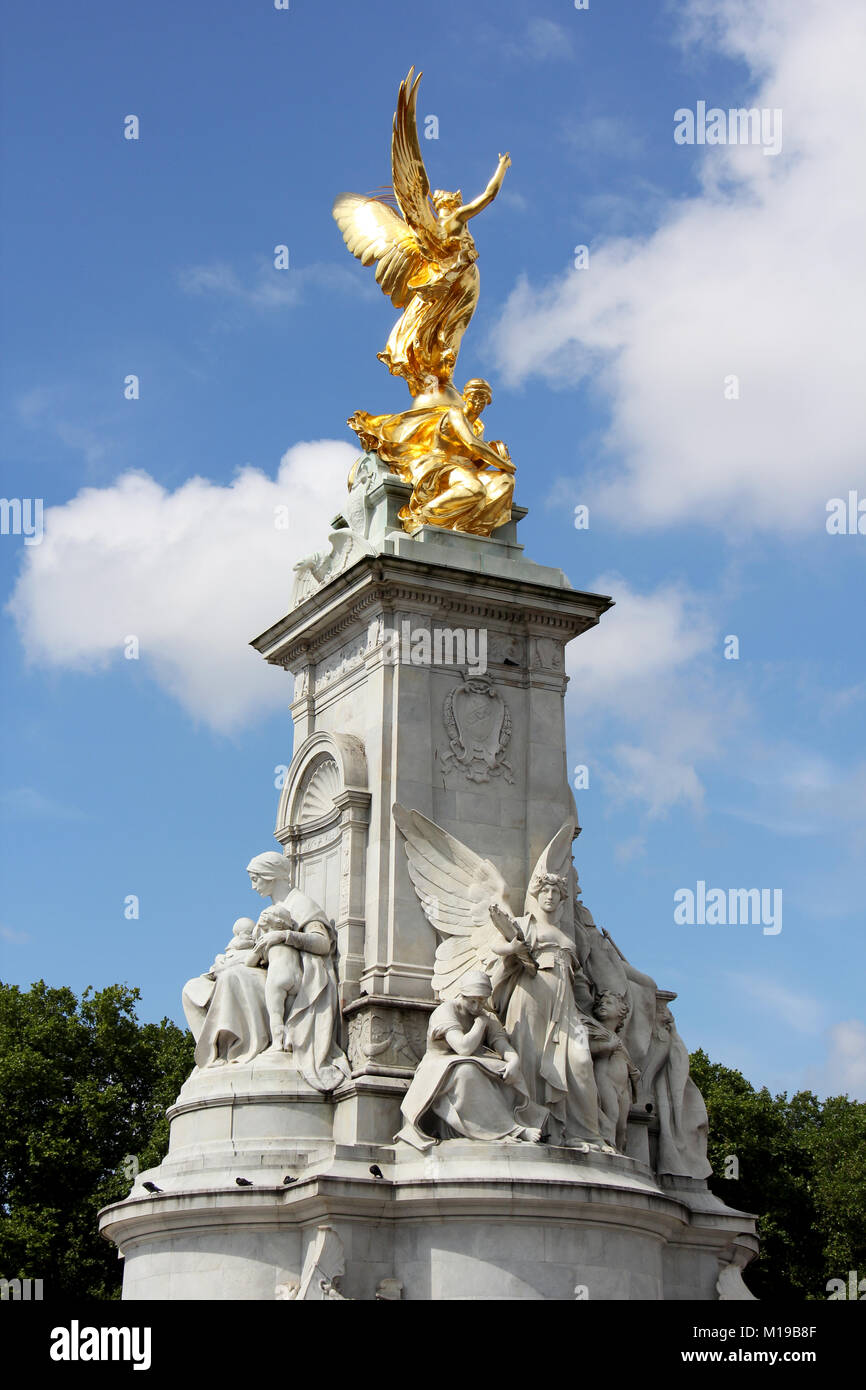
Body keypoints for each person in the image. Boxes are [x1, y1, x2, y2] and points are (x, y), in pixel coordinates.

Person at [489, 875, 611, 1150]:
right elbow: (497, 945)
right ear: (536, 894)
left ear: (562, 899)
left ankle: (585, 1132)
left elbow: (577, 980)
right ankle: (532, 1123)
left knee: (580, 1061)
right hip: (530, 994)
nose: (550, 897)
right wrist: (512, 948)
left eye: (556, 893)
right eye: (545, 891)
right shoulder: (524, 924)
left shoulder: (566, 936)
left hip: (564, 1005)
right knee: (529, 1056)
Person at [395, 970, 546, 1151]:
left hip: (469, 1062)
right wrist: (480, 1024)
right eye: (472, 1000)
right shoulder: (446, 1011)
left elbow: (502, 1046)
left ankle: (511, 1124)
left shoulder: (486, 1015)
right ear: (462, 995)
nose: (476, 1006)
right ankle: (511, 1130)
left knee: (502, 1070)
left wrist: (514, 1061)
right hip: (438, 1066)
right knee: (467, 1071)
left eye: (482, 1000)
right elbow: (463, 1048)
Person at [348, 379, 514, 537]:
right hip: (441, 465)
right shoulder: (455, 414)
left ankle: (470, 525)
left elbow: (473, 453)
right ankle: (425, 514)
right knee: (474, 489)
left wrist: (496, 452)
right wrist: (503, 463)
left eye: (483, 399)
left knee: (506, 481)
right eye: (475, 397)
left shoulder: (478, 427)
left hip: (464, 469)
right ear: (465, 397)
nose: (478, 403)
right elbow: (472, 443)